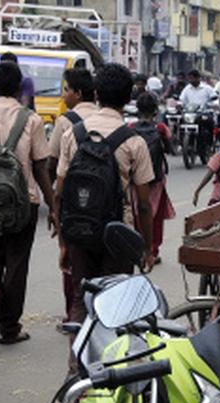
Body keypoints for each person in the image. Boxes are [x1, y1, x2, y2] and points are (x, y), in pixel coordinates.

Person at [54, 63, 155, 322]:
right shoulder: (134, 142)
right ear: (128, 98)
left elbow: (60, 193)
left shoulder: (72, 134)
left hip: (79, 229)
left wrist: (64, 242)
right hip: (117, 234)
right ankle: (108, 360)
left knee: (80, 298)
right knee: (116, 304)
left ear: (96, 94)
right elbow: (144, 205)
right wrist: (147, 248)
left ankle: (77, 361)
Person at [0, 60, 54, 346]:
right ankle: (9, 327)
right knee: (17, 263)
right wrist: (53, 205)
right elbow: (41, 167)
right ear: (20, 86)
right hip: (24, 202)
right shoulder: (30, 119)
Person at [47, 66, 96, 331]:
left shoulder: (66, 122)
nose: (64, 95)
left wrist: (54, 205)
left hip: (74, 203)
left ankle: (73, 315)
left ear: (77, 93)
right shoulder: (106, 118)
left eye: (67, 90)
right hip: (102, 205)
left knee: (71, 260)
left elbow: (53, 164)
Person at [130, 91, 174, 262]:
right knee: (155, 217)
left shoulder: (130, 129)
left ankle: (138, 249)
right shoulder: (160, 128)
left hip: (135, 179)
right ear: (155, 110)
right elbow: (170, 149)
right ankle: (153, 250)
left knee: (136, 213)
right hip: (156, 179)